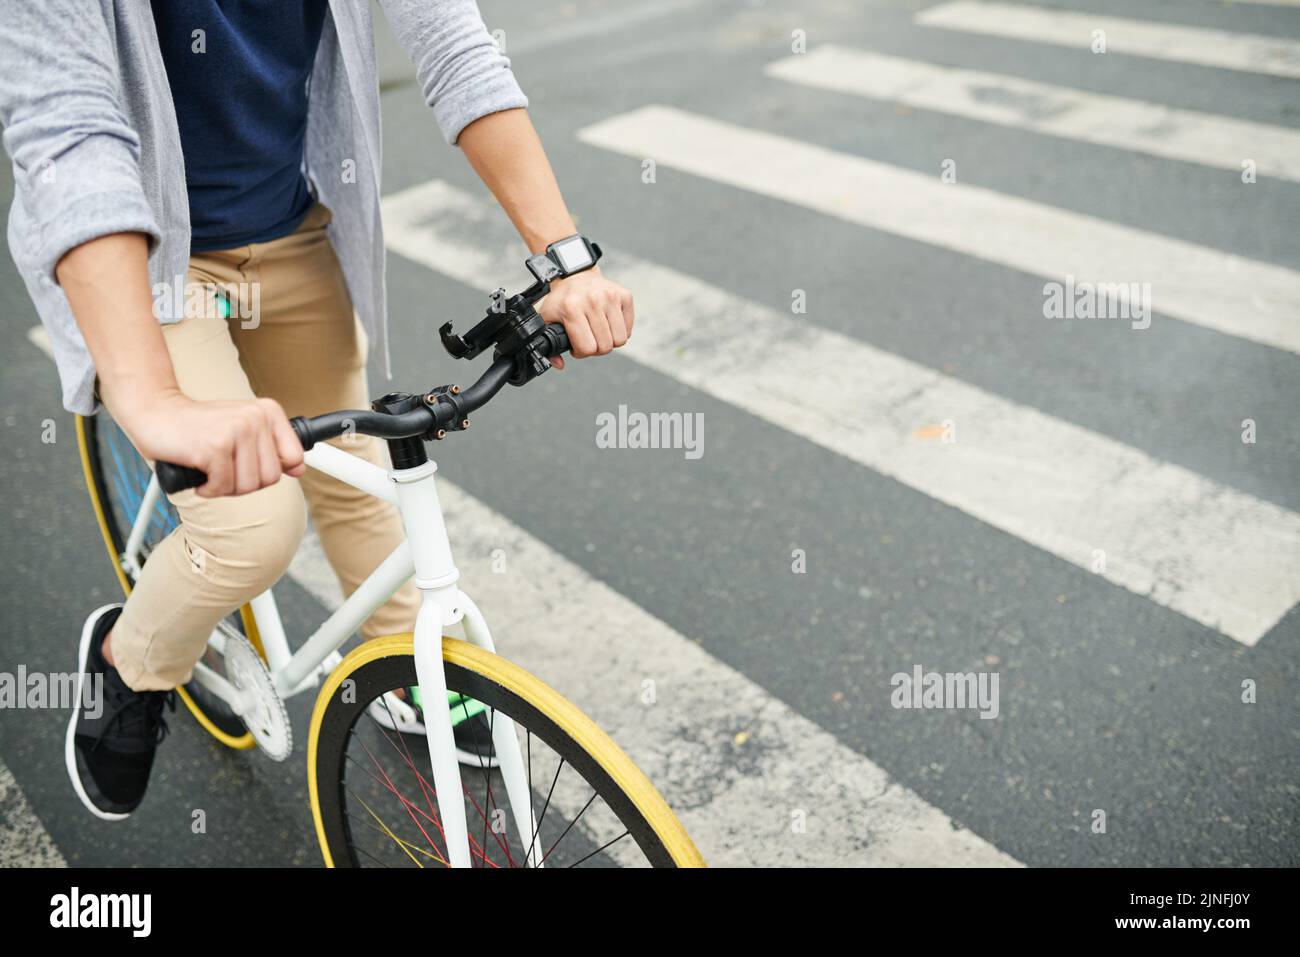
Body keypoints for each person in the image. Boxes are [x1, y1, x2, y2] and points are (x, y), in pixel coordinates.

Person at [0, 0, 634, 820]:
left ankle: (406, 665)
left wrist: (565, 262)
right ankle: (130, 661)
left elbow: (453, 42)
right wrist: (151, 396)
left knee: (359, 475)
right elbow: (69, 129)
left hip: (288, 231)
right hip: (156, 260)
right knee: (252, 530)